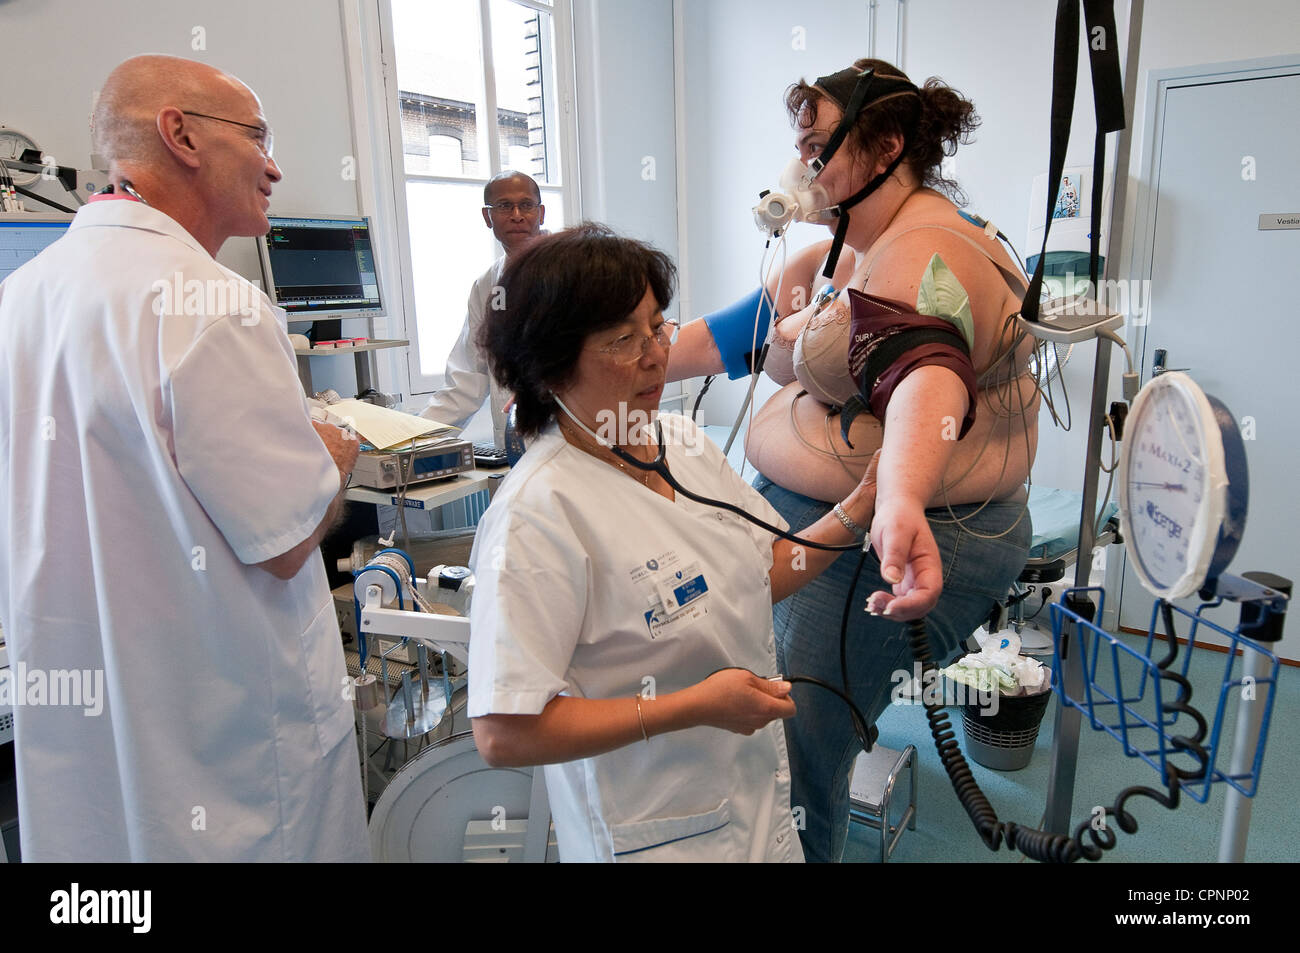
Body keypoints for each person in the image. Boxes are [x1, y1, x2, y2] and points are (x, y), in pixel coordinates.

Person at [0, 55, 370, 861]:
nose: (274, 166)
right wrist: (333, 452)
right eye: (258, 137)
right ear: (181, 135)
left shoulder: (22, 297)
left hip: (91, 747)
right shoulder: (217, 305)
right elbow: (285, 539)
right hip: (227, 759)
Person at [668, 59, 1039, 861]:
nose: (801, 164)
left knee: (798, 742)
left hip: (909, 528)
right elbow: (729, 335)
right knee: (781, 720)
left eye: (816, 144)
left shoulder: (927, 249)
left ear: (885, 147)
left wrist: (898, 500)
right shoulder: (843, 250)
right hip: (839, 521)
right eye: (797, 144)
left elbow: (923, 373)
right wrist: (600, 366)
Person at [465, 224, 881, 862]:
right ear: (550, 364)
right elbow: (504, 732)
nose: (655, 354)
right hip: (653, 833)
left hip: (756, 810)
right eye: (622, 339)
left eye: (657, 326)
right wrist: (689, 707)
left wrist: (864, 505)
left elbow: (765, 567)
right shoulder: (539, 513)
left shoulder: (681, 444)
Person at [418, 170, 546, 447]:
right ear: (487, 217)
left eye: (526, 205)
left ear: (541, 213)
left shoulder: (574, 270)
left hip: (569, 439)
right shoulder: (485, 285)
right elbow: (466, 379)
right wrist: (414, 439)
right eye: (503, 206)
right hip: (515, 442)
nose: (516, 215)